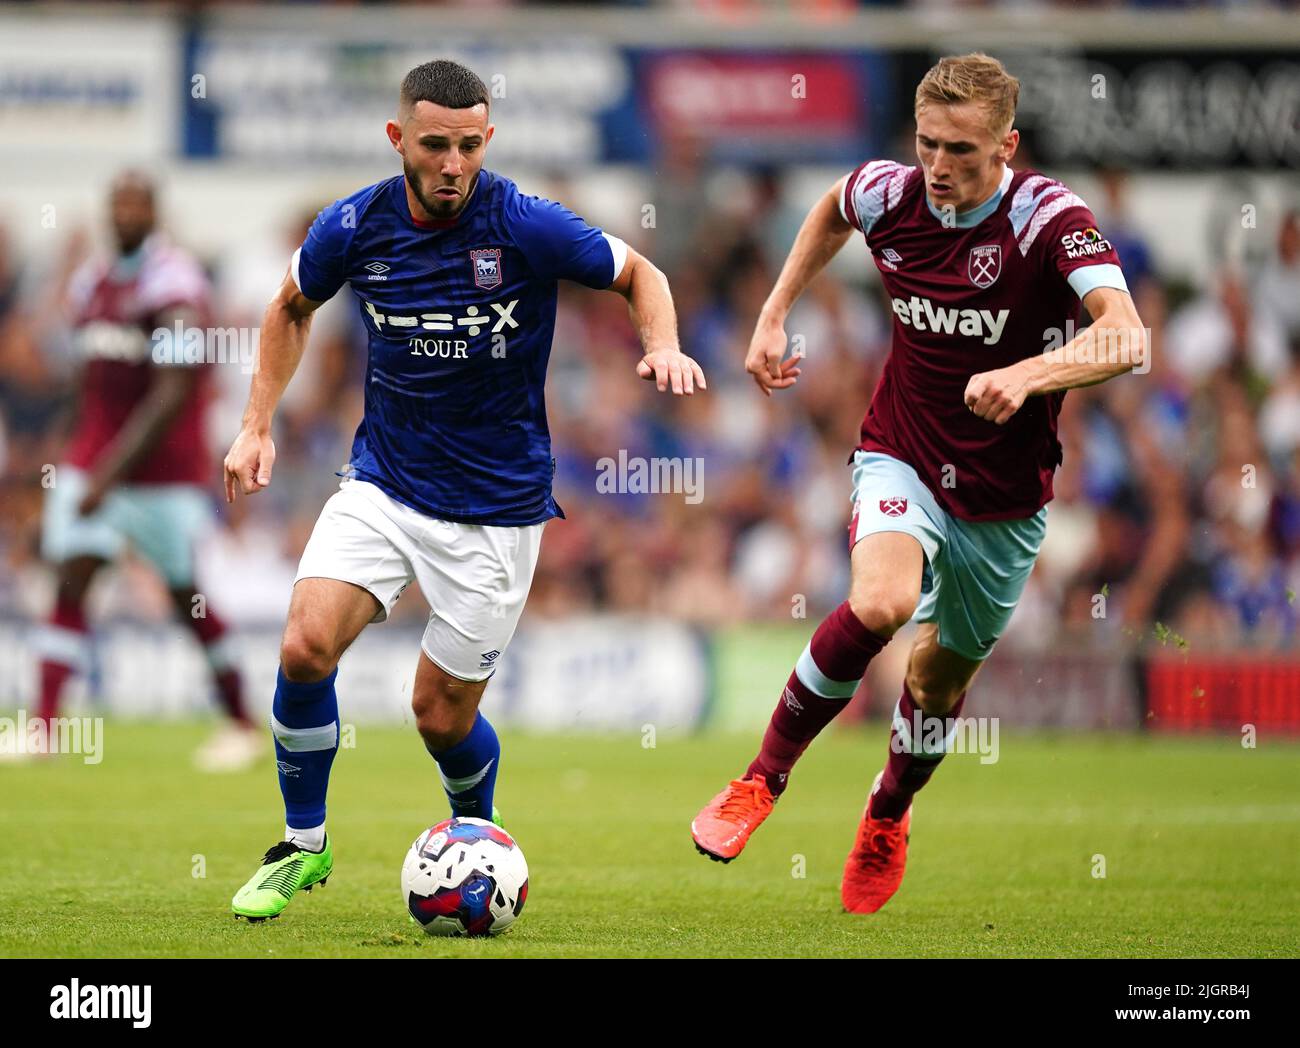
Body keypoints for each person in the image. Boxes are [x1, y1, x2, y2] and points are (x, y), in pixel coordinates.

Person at [223, 59, 705, 921]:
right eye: (437, 144)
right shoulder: (355, 224)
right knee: (303, 647)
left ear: (489, 141)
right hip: (384, 482)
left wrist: (662, 344)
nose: (454, 164)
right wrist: (257, 424)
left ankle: (475, 837)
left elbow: (643, 275)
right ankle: (303, 846)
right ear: (398, 138)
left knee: (437, 716)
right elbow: (290, 305)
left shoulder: (524, 223)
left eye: (470, 146)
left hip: (495, 511)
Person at [690, 53, 1145, 914]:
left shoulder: (1052, 219)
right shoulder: (889, 192)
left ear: (1007, 146)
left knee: (936, 685)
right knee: (880, 604)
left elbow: (1126, 337)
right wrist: (774, 311)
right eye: (927, 143)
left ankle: (888, 811)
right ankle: (760, 781)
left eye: (962, 152)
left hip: (1006, 498)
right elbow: (831, 209)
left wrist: (1031, 376)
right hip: (900, 448)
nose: (938, 167)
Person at [36, 172, 259, 771]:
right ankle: (45, 729)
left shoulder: (175, 285)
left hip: (162, 472)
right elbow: (90, 377)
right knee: (72, 577)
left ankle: (242, 723)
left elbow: (170, 395)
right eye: (118, 203)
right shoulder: (94, 281)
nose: (126, 212)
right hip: (95, 460)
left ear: (154, 213)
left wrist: (106, 475)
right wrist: (74, 448)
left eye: (138, 204)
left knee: (185, 595)